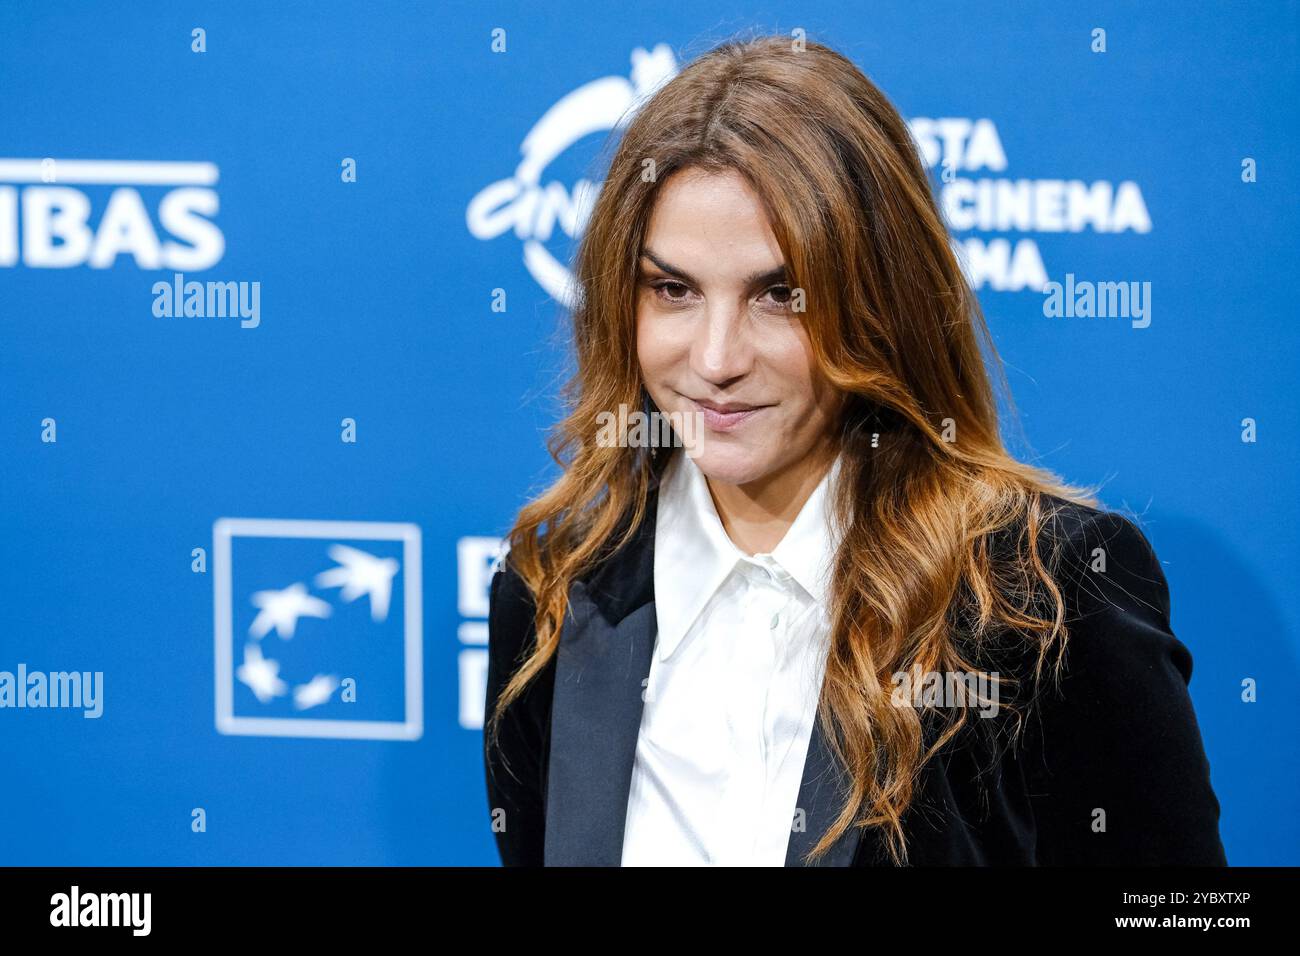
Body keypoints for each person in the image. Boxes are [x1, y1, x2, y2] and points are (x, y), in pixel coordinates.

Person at [482, 34, 1226, 866]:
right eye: (674, 290)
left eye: (778, 296)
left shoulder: (1041, 598)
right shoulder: (552, 593)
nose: (718, 359)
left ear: (878, 302)